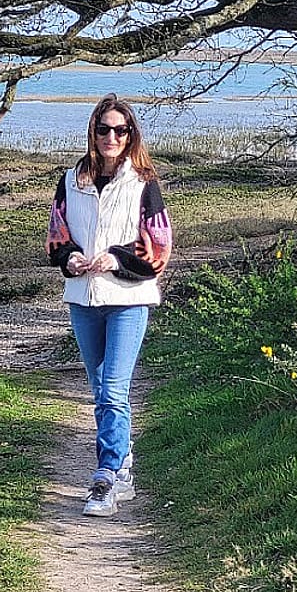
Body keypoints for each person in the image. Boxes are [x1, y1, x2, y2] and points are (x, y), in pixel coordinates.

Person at [45, 93, 172, 517]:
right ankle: (123, 462)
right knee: (100, 390)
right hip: (83, 297)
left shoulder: (143, 183)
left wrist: (116, 258)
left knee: (114, 389)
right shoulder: (70, 181)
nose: (111, 137)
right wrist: (72, 258)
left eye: (121, 130)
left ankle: (107, 475)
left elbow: (159, 247)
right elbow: (56, 238)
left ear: (131, 134)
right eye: (104, 130)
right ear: (93, 133)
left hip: (128, 298)